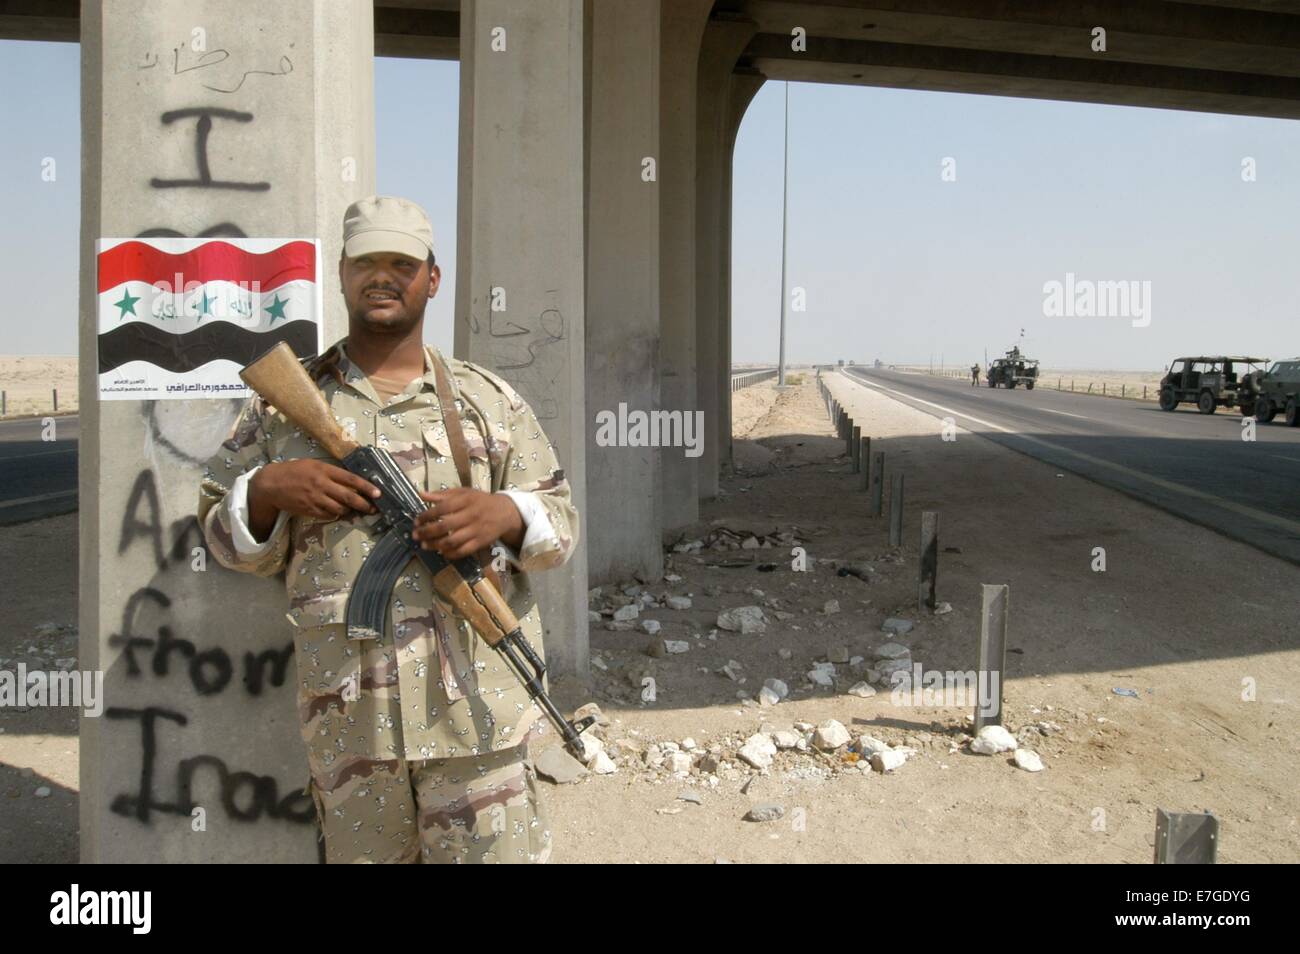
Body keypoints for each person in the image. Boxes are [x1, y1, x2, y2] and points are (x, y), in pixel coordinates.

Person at [198, 195, 578, 863]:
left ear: (432, 279)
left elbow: (563, 527)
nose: (383, 276)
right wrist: (266, 491)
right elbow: (219, 539)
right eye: (367, 262)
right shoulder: (282, 412)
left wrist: (506, 514)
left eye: (402, 263)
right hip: (351, 728)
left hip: (477, 723)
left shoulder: (487, 401)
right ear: (341, 275)